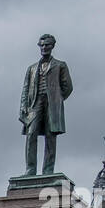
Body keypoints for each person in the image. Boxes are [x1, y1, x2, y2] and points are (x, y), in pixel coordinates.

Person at [20, 34, 73, 176]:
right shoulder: (32, 68)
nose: (44, 47)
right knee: (31, 134)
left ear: (52, 46)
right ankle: (30, 169)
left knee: (50, 136)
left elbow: (68, 87)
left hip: (52, 105)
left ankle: (48, 170)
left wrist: (58, 99)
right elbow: (25, 89)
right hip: (35, 104)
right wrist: (23, 106)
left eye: (47, 45)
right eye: (42, 45)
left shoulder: (60, 65)